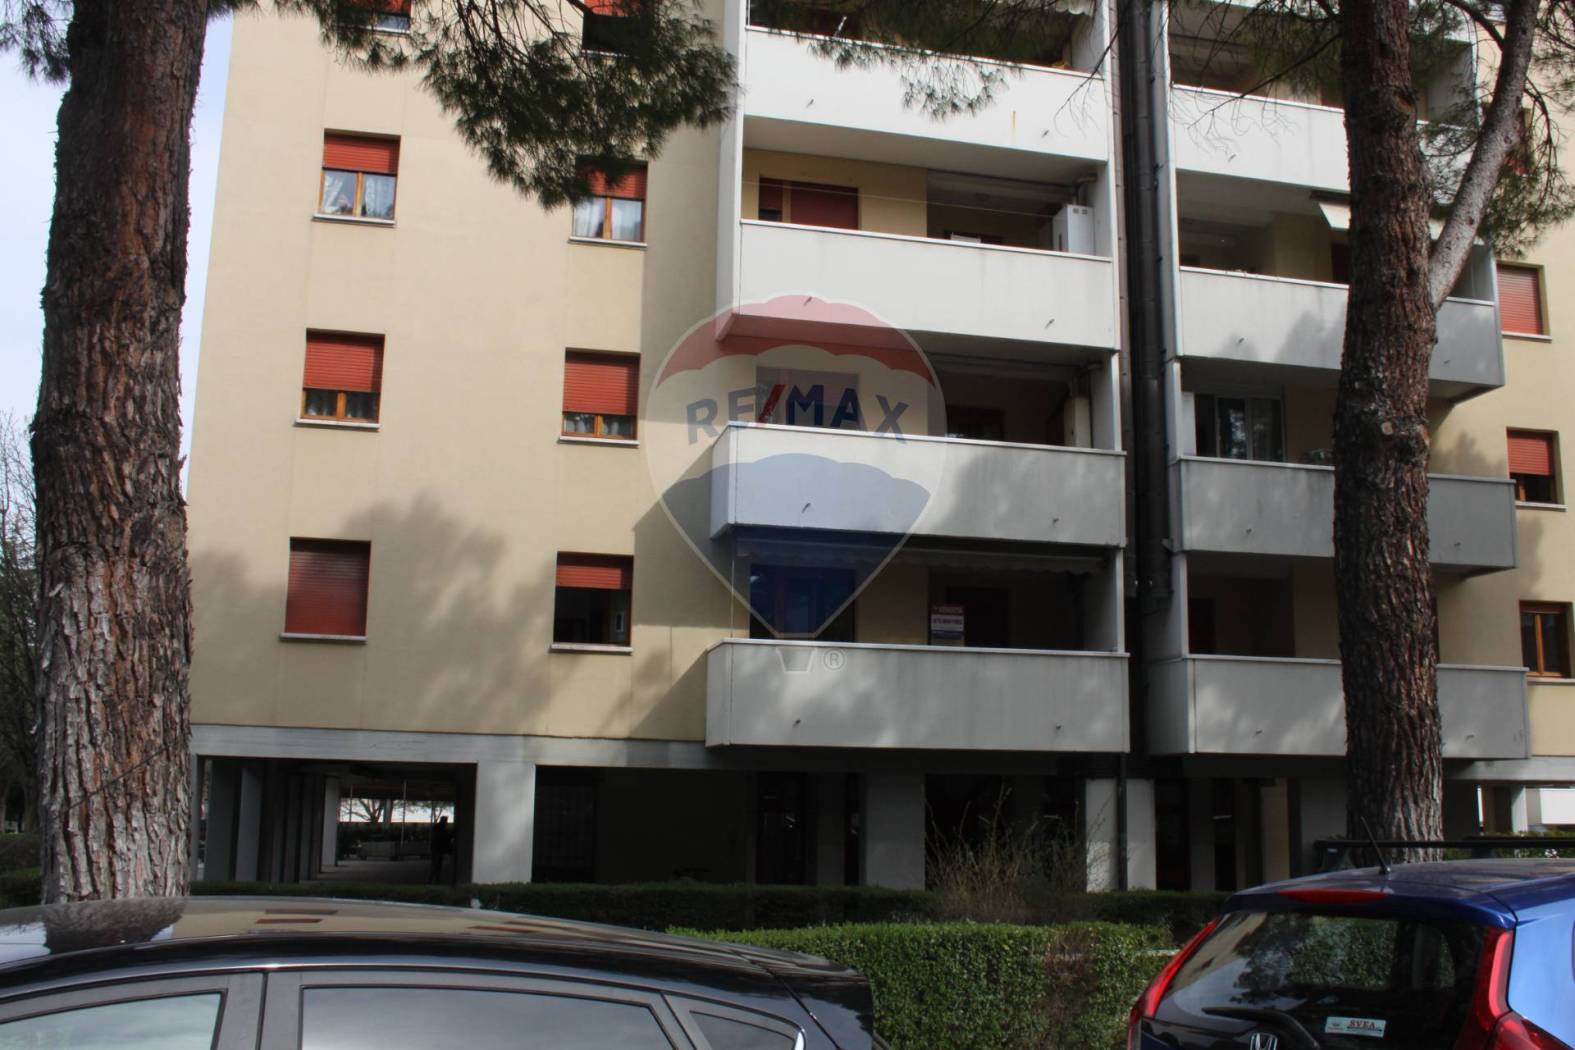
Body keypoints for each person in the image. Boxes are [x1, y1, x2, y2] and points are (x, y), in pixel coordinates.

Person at [429, 815, 452, 884]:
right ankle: (433, 880)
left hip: (436, 848)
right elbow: (444, 837)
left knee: (436, 865)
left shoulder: (437, 827)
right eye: (446, 821)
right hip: (438, 849)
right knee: (436, 865)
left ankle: (434, 880)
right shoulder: (440, 828)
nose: (446, 822)